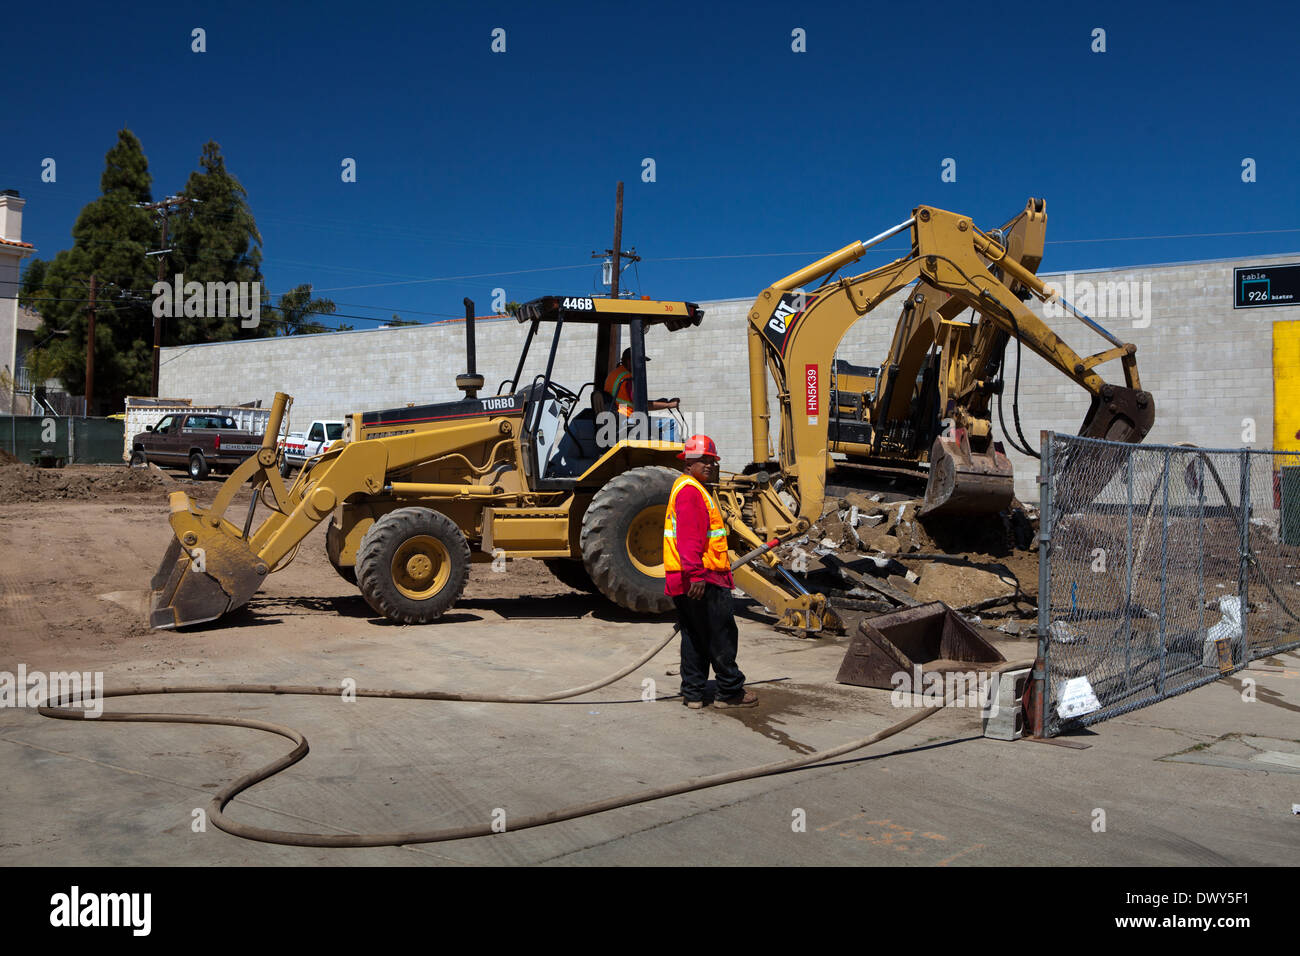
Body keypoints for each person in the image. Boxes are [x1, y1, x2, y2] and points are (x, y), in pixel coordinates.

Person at [663, 434, 757, 709]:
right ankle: (729, 691)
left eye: (712, 460)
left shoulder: (686, 488)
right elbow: (690, 539)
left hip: (687, 578)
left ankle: (693, 693)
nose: (709, 464)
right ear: (687, 462)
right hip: (703, 578)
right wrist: (696, 575)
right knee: (721, 634)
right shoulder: (691, 491)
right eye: (702, 459)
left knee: (694, 635)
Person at [604, 348, 679, 419]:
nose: (642, 365)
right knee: (670, 423)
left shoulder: (615, 374)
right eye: (640, 362)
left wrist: (659, 403)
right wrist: (668, 405)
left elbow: (629, 399)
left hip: (617, 416)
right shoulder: (628, 378)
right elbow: (641, 405)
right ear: (629, 361)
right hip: (627, 417)